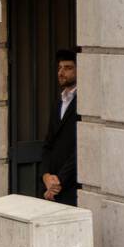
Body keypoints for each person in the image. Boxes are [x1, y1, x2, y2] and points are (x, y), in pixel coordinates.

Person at [39, 49, 78, 205]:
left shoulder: (85, 103)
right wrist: (45, 176)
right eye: (60, 68)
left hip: (72, 185)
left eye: (68, 68)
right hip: (51, 185)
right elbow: (48, 144)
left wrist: (59, 181)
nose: (61, 72)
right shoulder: (58, 102)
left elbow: (81, 148)